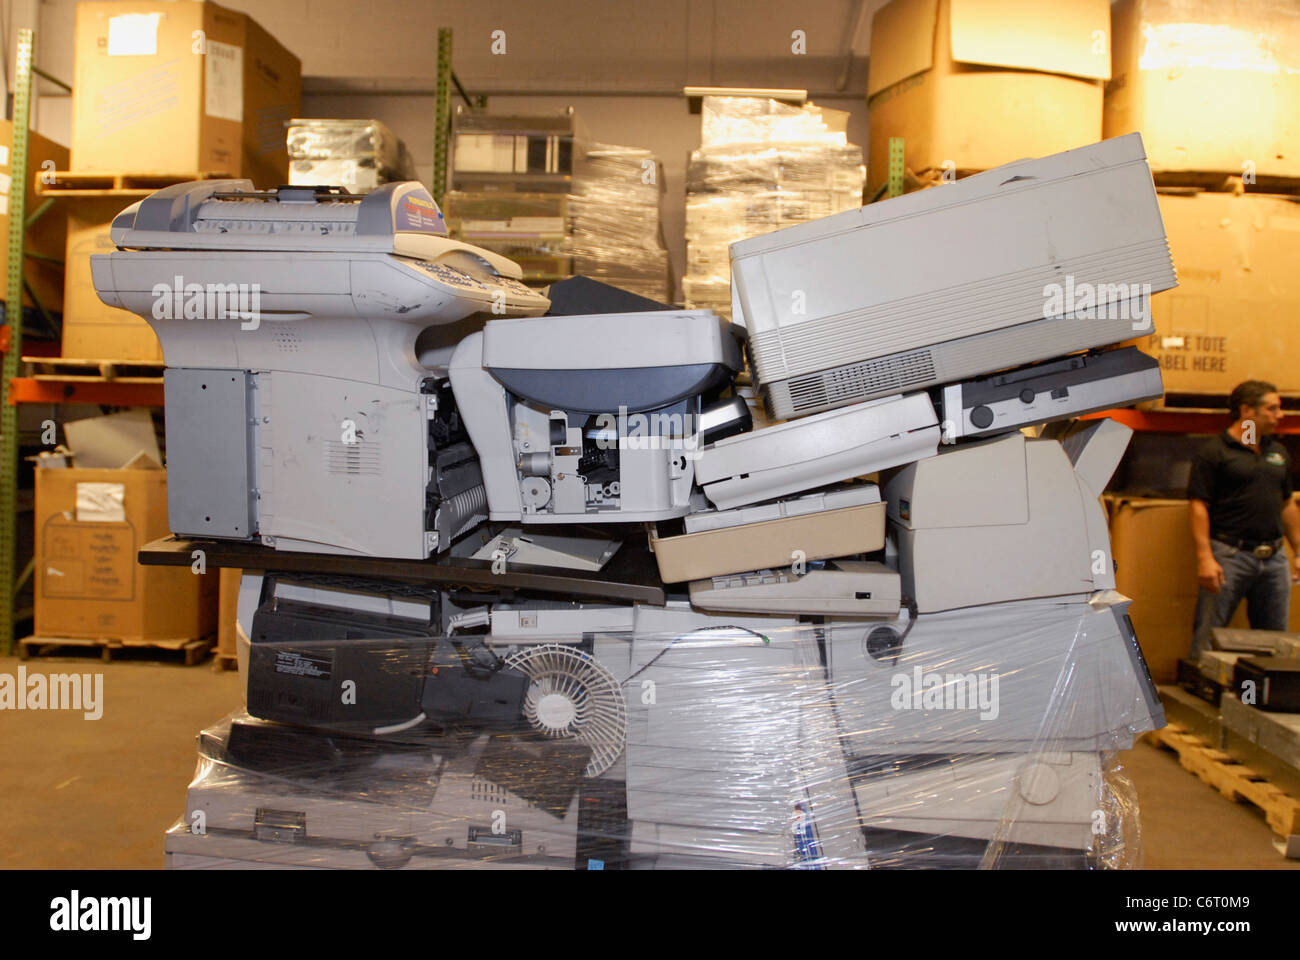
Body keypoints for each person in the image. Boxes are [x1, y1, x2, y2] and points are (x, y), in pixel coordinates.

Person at [1188, 380, 1300, 659]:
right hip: (1229, 555)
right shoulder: (1215, 453)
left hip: (1274, 559)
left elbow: (1287, 504)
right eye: (1272, 409)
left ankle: (1266, 695)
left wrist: (1298, 550)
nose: (1280, 415)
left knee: (1276, 640)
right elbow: (1198, 506)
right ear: (1247, 410)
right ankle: (1202, 687)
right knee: (1209, 634)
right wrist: (1205, 557)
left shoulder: (1278, 453)